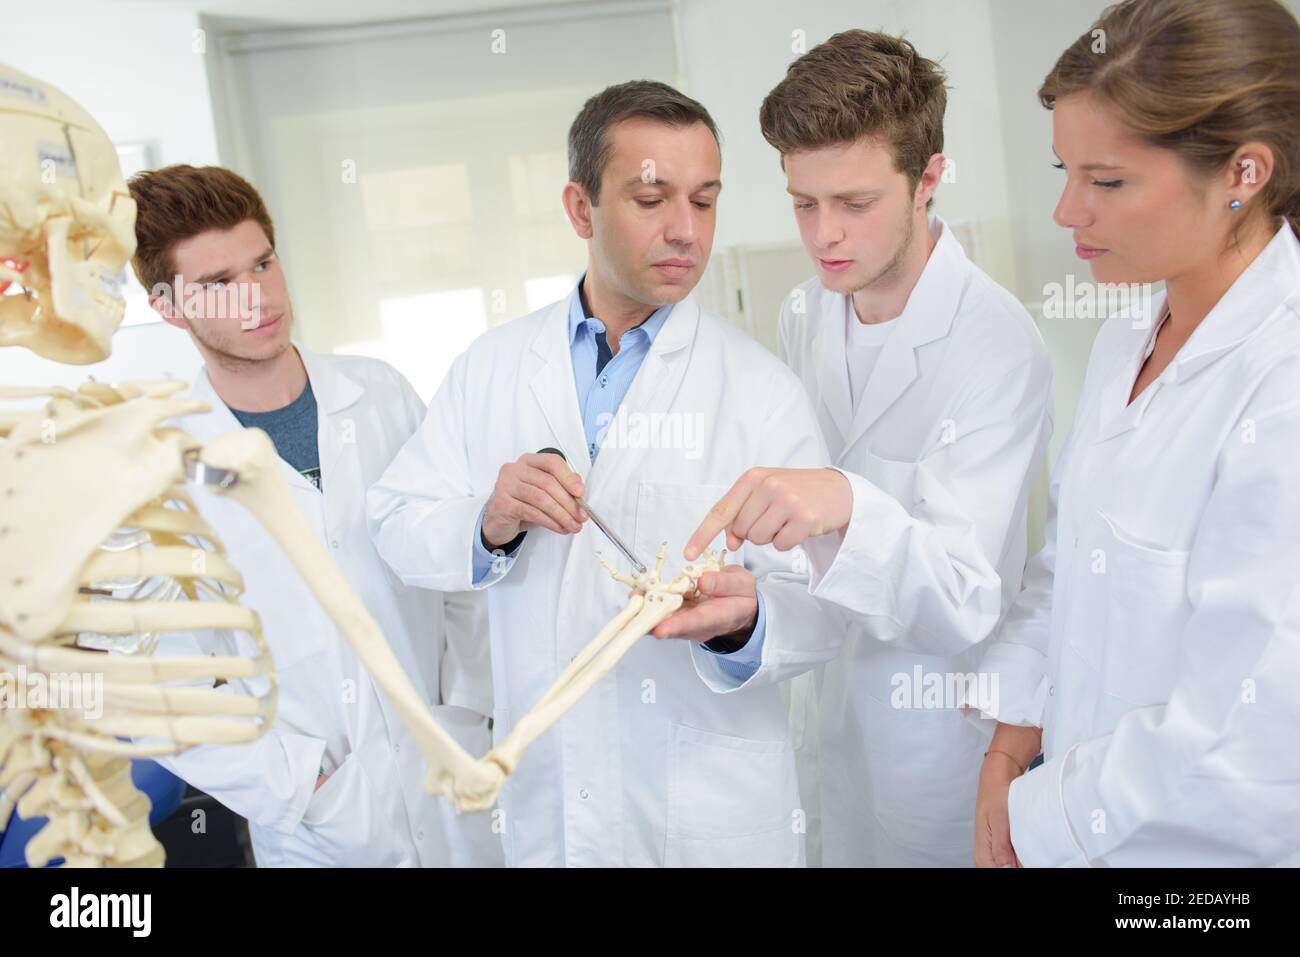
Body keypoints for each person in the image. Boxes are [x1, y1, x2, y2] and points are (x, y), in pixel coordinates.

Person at [367, 80, 840, 867]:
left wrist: (742, 620)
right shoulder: (490, 369)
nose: (685, 230)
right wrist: (488, 521)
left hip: (706, 811)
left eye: (705, 200)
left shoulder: (760, 391)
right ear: (580, 209)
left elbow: (824, 605)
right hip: (550, 801)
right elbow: (395, 525)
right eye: (651, 197)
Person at [683, 30, 1053, 866]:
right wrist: (750, 600)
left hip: (936, 750)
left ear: (928, 179)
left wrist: (844, 501)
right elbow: (814, 560)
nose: (824, 236)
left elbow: (964, 595)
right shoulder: (806, 314)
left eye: (854, 203)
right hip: (827, 719)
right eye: (803, 203)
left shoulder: (996, 345)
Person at [971, 0, 1300, 867]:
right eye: (1063, 171)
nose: (1067, 212)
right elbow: (1069, 565)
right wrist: (1011, 740)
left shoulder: (1283, 381)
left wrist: (1042, 821)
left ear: (1245, 171)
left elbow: (1245, 723)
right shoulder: (1126, 340)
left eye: (1106, 182)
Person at [129, 164, 500, 867]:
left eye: (263, 262)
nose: (259, 295)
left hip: (455, 777)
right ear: (168, 306)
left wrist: (467, 704)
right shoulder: (158, 466)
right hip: (321, 824)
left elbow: (454, 572)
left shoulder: (382, 395)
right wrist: (301, 785)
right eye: (217, 284)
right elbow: (169, 685)